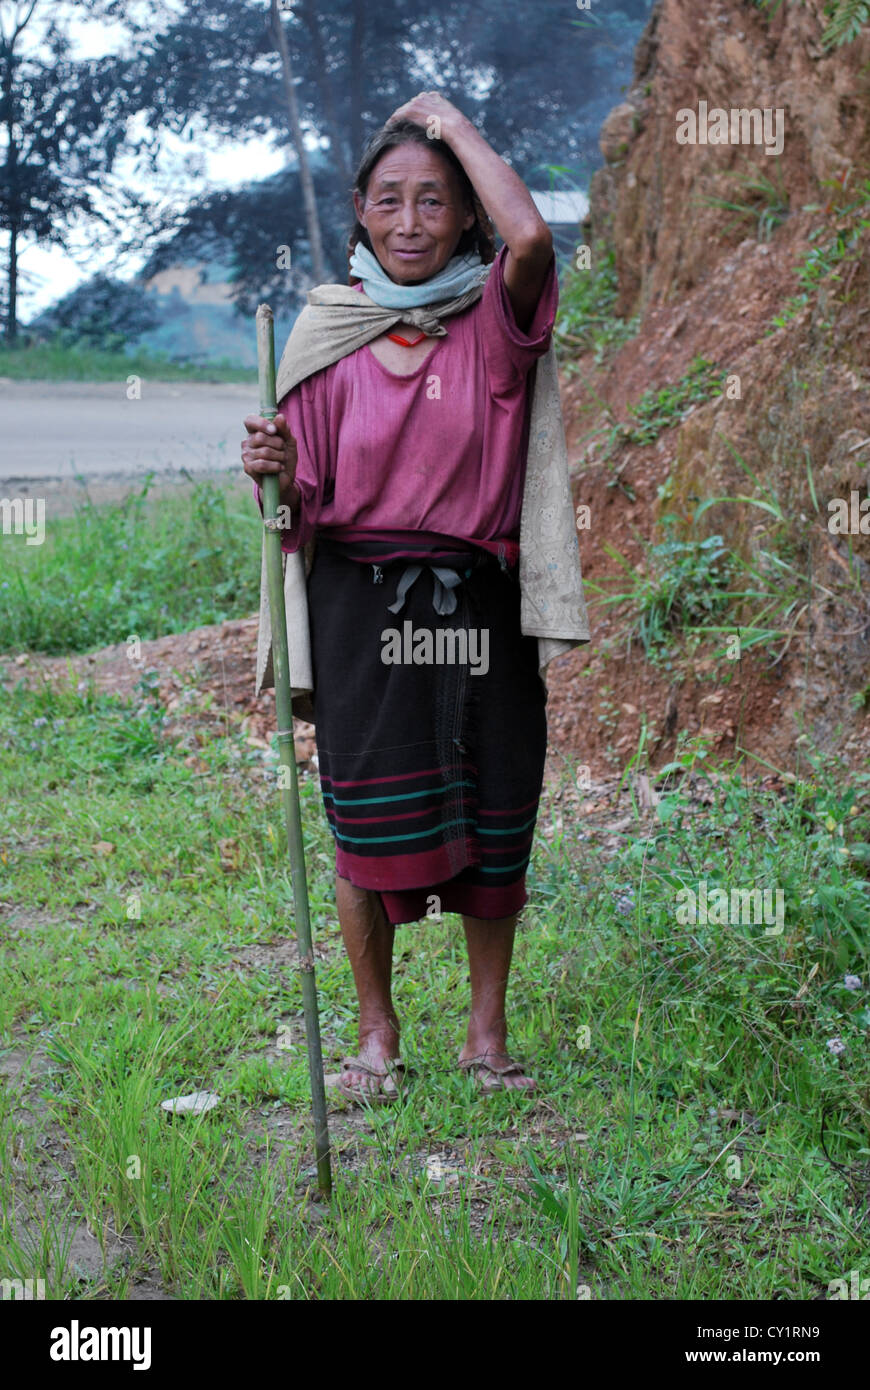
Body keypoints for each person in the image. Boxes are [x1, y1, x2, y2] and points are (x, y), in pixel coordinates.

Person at [242, 91, 579, 1100]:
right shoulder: (326, 335)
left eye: (435, 202)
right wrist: (272, 466)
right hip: (363, 608)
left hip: (478, 602)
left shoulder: (495, 321)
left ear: (466, 212)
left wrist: (454, 126)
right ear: (359, 210)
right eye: (388, 202)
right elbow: (297, 502)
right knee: (366, 824)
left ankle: (487, 1038)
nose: (411, 223)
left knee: (493, 815)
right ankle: (377, 1038)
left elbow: (529, 237)